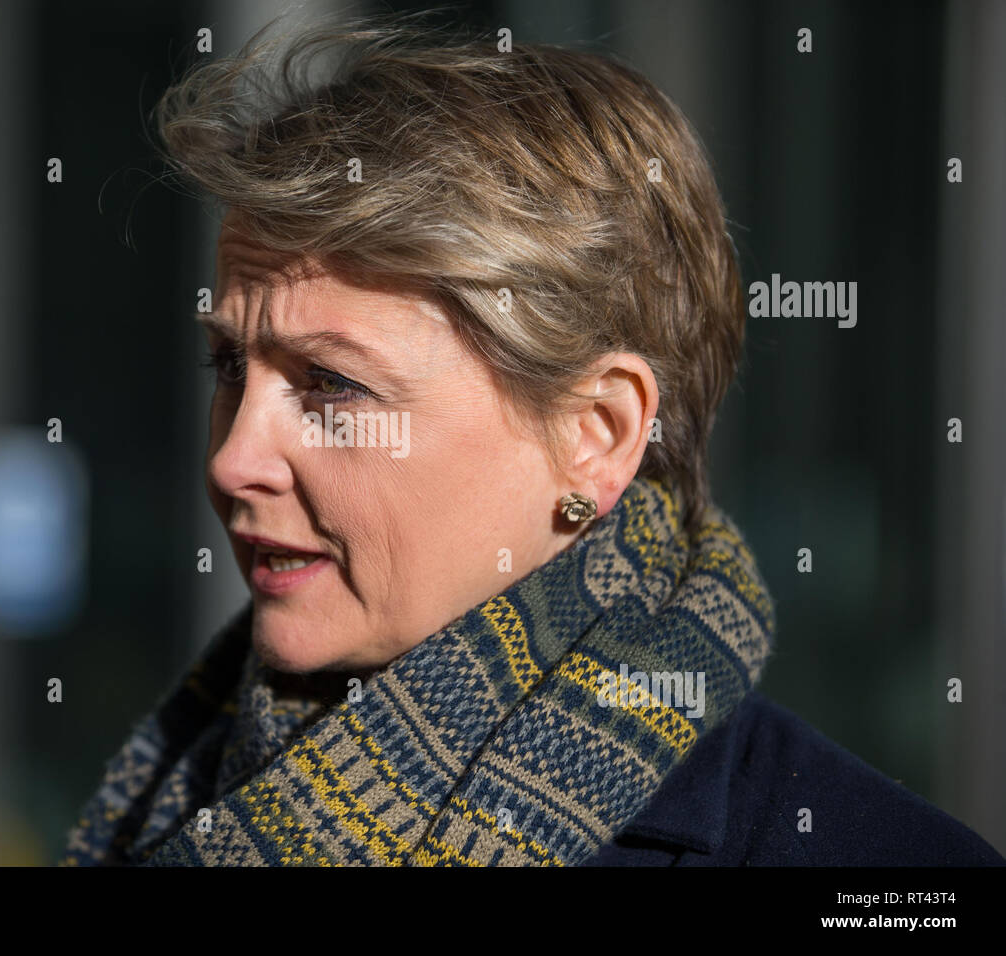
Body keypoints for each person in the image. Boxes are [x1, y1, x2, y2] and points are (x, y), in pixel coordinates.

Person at [60, 12, 1003, 866]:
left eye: (333, 386)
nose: (233, 459)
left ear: (596, 434)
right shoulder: (167, 788)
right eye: (230, 369)